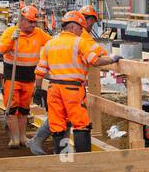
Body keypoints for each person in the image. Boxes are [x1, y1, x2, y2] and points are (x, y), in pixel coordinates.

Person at [35, 10, 121, 156]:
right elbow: (95, 61)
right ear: (73, 27)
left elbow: (40, 70)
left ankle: (63, 159)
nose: (82, 31)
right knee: (81, 124)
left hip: (53, 89)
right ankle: (84, 161)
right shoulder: (79, 42)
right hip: (72, 90)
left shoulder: (50, 44)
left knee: (58, 125)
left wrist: (37, 89)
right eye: (81, 28)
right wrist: (112, 59)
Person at [0, 6, 51, 148]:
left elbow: (52, 44)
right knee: (12, 108)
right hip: (12, 76)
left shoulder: (39, 34)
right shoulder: (11, 32)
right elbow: (2, 49)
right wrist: (12, 40)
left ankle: (22, 137)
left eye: (35, 22)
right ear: (21, 20)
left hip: (29, 77)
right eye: (30, 22)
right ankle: (14, 138)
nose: (33, 25)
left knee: (24, 109)